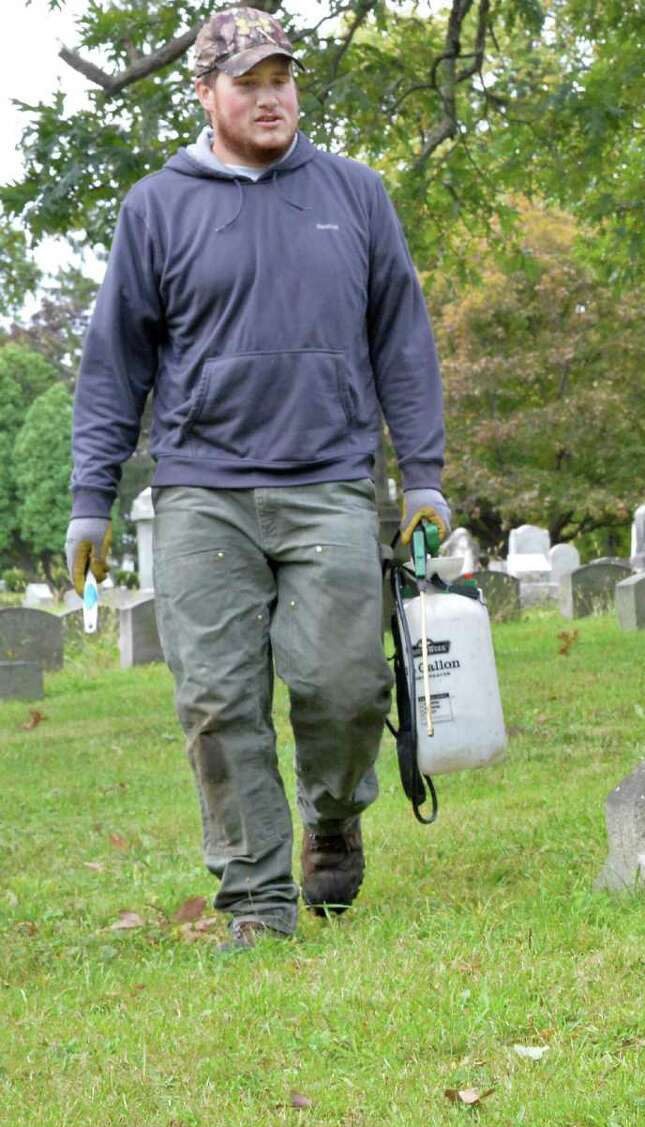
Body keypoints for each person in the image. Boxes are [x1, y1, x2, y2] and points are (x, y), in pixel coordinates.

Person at [65, 7, 452, 952]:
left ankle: (332, 814)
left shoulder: (355, 194)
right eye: (249, 82)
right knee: (217, 699)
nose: (271, 96)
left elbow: (402, 339)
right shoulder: (157, 206)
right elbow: (116, 360)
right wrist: (91, 495)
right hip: (202, 490)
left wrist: (425, 477)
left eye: (282, 78)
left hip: (329, 481)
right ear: (207, 94)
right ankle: (256, 897)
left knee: (343, 685)